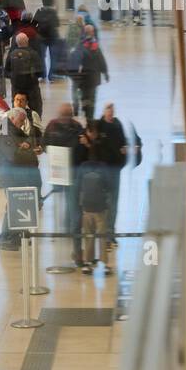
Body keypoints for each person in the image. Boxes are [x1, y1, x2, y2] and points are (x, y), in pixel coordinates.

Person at [44, 103, 89, 268]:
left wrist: (85, 143)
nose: (65, 118)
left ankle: (76, 248)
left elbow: (85, 151)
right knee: (66, 206)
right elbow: (44, 144)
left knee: (74, 209)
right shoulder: (53, 126)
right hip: (59, 173)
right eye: (64, 115)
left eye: (68, 115)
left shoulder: (76, 127)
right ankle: (66, 229)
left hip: (73, 176)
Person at [0, 107, 44, 251]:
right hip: (9, 173)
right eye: (21, 121)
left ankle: (19, 232)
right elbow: (12, 155)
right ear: (12, 118)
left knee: (20, 202)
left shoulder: (13, 128)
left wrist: (26, 145)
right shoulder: (2, 129)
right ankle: (6, 238)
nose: (22, 124)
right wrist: (29, 151)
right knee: (12, 204)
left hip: (18, 173)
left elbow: (27, 138)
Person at [75, 134, 112, 274]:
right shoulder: (103, 167)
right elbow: (109, 185)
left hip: (87, 206)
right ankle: (103, 263)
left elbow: (78, 185)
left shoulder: (83, 166)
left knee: (88, 235)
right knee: (102, 236)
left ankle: (87, 263)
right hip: (100, 207)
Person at [94, 103, 128, 245]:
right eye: (108, 110)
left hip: (115, 169)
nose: (110, 113)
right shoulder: (99, 125)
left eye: (112, 111)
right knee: (104, 202)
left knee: (113, 202)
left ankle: (110, 233)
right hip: (102, 171)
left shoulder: (118, 124)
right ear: (104, 112)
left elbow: (124, 142)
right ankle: (102, 232)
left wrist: (124, 154)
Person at [71, 24, 109, 121]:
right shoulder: (95, 46)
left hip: (83, 77)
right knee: (91, 97)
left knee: (84, 96)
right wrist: (105, 73)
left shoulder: (80, 44)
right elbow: (101, 60)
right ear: (92, 33)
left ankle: (85, 110)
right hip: (94, 77)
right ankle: (89, 115)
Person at [5, 32, 44, 119]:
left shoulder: (11, 54)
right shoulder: (33, 54)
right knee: (36, 108)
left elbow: (6, 72)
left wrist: (14, 76)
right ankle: (36, 124)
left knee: (16, 109)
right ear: (27, 41)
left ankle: (17, 125)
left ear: (16, 42)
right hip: (31, 87)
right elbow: (41, 72)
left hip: (16, 87)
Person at [33, 0, 63, 82]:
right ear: (52, 2)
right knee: (53, 57)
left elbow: (34, 24)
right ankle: (51, 75)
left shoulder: (39, 11)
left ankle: (43, 75)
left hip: (41, 37)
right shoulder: (53, 12)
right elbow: (57, 24)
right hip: (53, 37)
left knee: (42, 57)